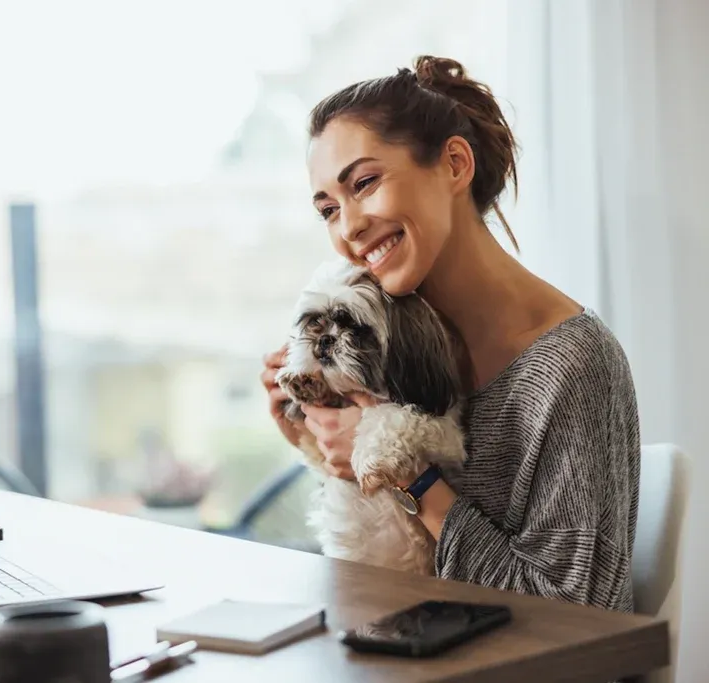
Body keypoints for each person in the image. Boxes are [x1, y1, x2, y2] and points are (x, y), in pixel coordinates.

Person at [260, 55, 639, 613]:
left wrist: (413, 478)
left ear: (455, 165)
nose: (349, 228)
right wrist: (321, 444)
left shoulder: (573, 365)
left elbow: (574, 616)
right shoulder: (383, 339)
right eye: (328, 209)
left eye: (364, 183)